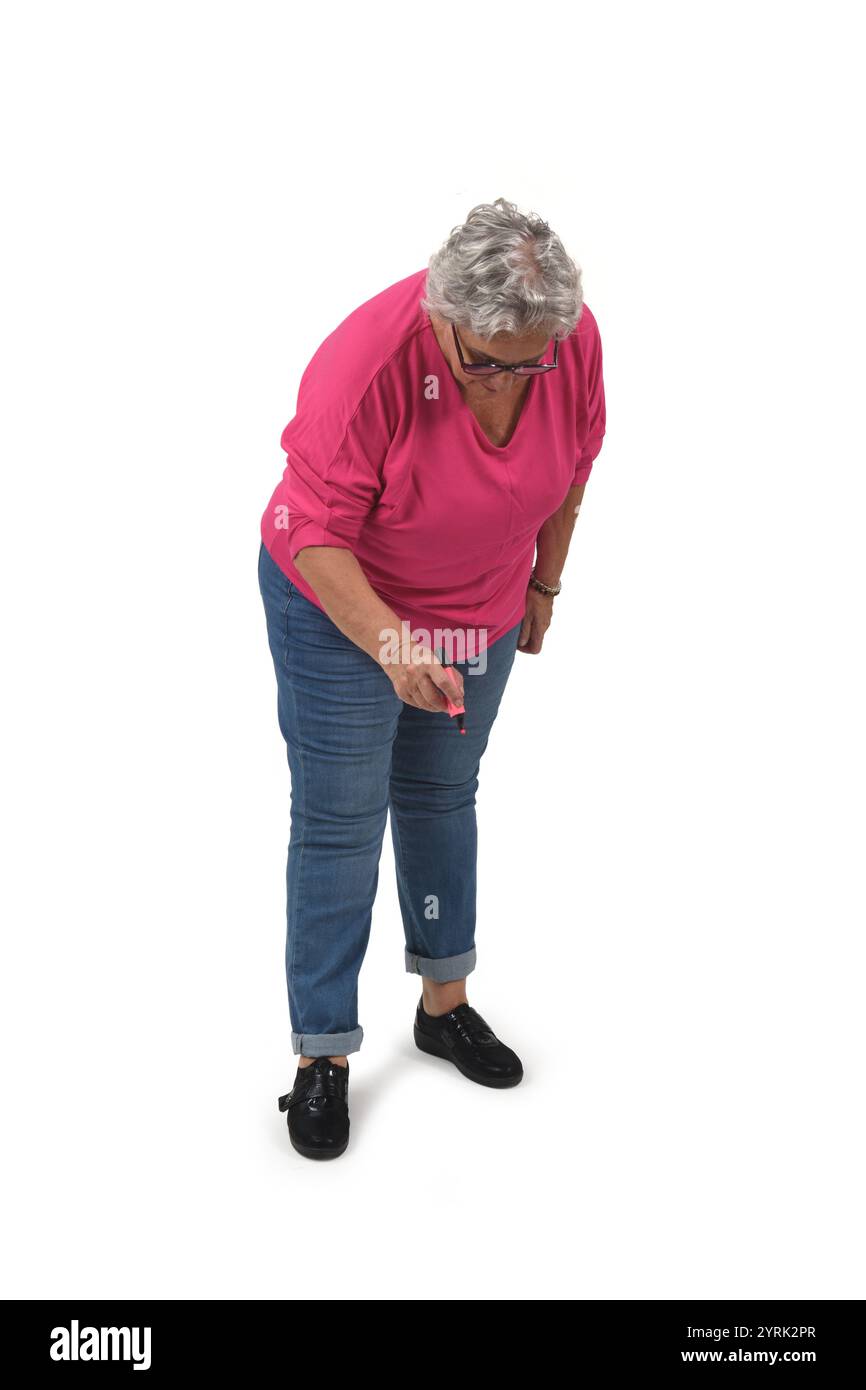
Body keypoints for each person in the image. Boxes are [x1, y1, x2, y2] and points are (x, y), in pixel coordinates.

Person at [258, 197, 606, 1159]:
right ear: (440, 314)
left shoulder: (563, 340)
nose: (511, 377)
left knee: (443, 792)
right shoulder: (366, 363)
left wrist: (545, 581)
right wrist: (388, 645)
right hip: (343, 609)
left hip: (479, 604)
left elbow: (575, 464)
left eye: (527, 358)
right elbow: (316, 531)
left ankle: (442, 1005)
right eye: (486, 360)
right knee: (341, 816)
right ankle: (322, 1055)